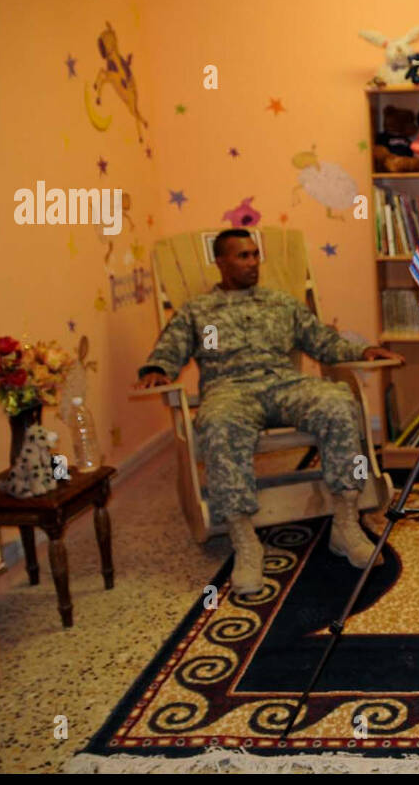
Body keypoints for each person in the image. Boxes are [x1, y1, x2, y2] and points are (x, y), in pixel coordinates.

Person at [133, 229, 404, 593]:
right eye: (242, 256)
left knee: (338, 402)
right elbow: (170, 350)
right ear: (221, 262)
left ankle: (345, 523)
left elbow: (322, 341)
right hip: (230, 391)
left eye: (255, 255)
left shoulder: (282, 303)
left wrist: (363, 351)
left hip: (284, 385)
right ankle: (245, 542)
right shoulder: (197, 312)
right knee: (217, 423)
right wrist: (156, 370)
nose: (252, 263)